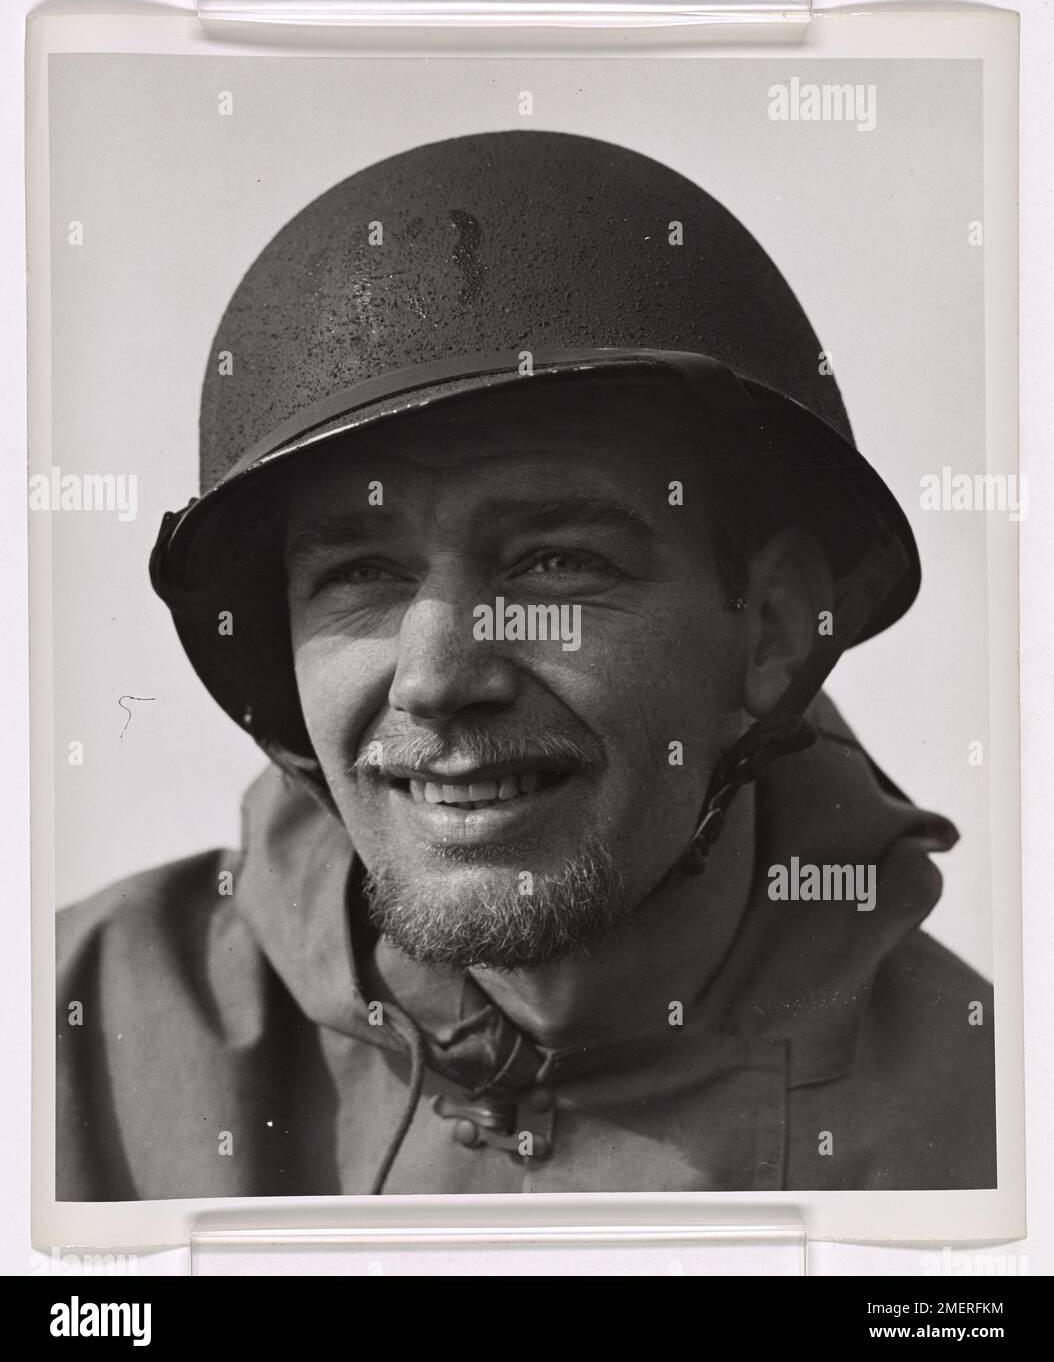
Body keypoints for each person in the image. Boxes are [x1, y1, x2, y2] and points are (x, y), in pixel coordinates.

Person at [57, 131, 996, 1200]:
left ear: (771, 630)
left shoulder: (987, 1146)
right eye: (362, 571)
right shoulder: (66, 1048)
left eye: (556, 561)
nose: (436, 675)